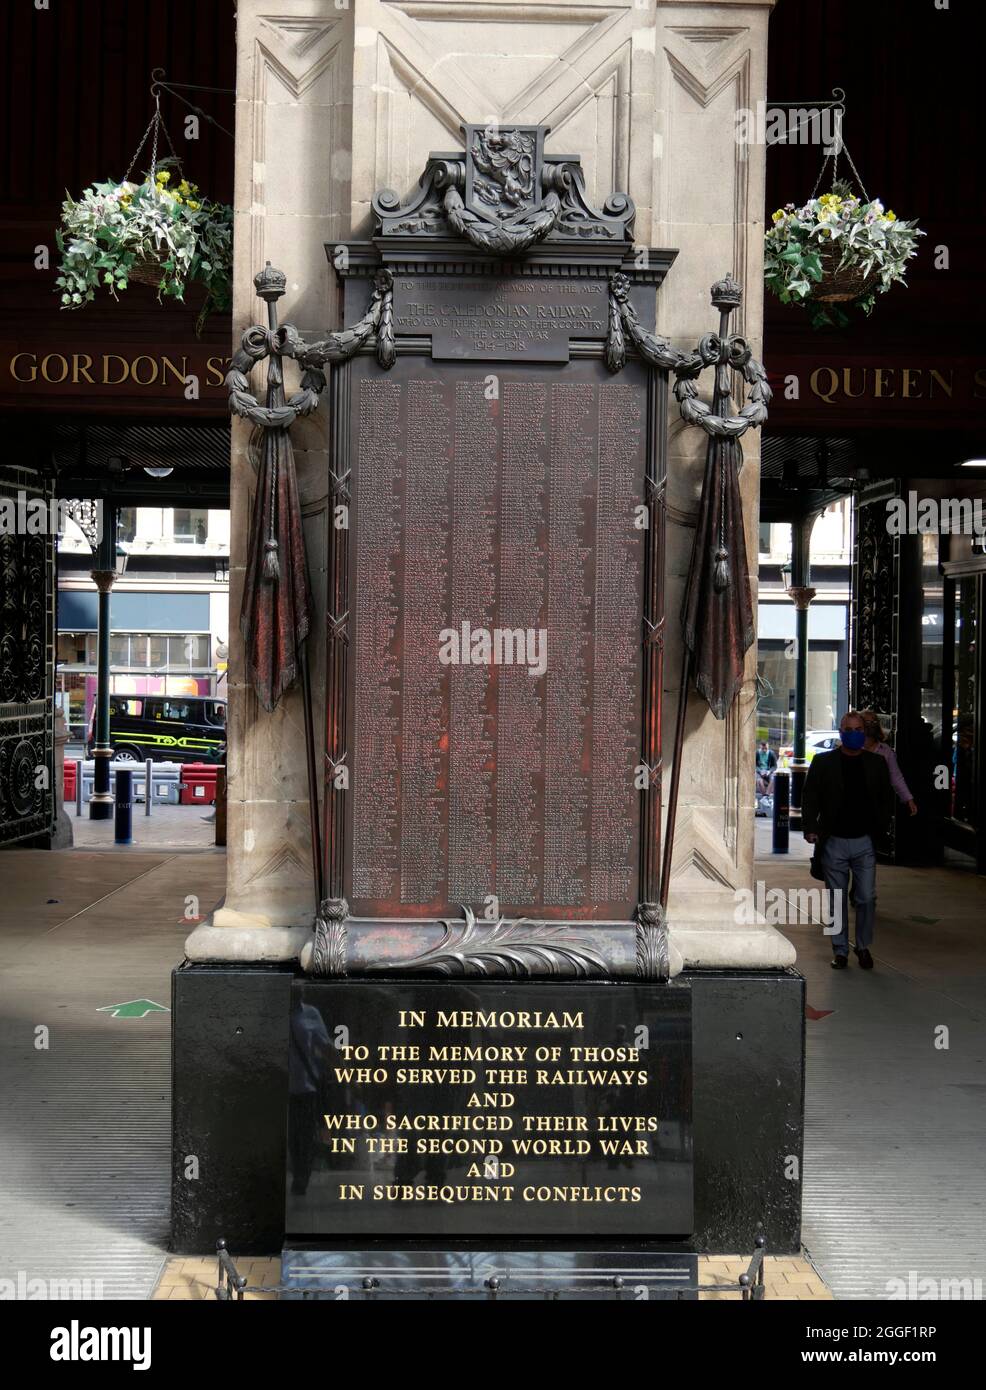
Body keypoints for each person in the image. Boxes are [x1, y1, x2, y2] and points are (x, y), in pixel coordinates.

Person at [802, 710, 894, 971]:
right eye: (849, 729)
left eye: (858, 730)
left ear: (864, 734)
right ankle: (840, 950)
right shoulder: (823, 762)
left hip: (864, 840)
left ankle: (862, 946)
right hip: (834, 841)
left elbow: (886, 799)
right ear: (841, 732)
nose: (854, 734)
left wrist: (881, 827)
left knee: (866, 897)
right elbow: (810, 797)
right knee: (837, 899)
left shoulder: (876, 764)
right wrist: (811, 828)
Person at [859, 711, 917, 817]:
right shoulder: (852, 748)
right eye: (867, 721)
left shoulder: (885, 751)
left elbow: (896, 777)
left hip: (877, 806)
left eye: (874, 722)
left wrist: (909, 799)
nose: (871, 724)